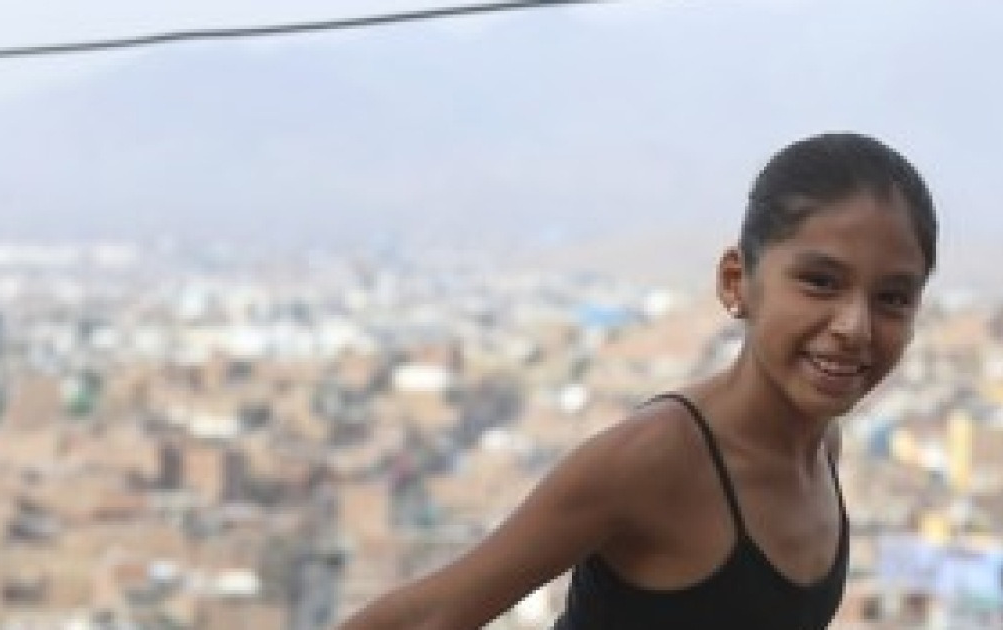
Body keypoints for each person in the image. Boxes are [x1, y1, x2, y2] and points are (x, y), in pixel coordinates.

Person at [337, 131, 938, 630]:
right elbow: (427, 617)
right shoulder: (657, 460)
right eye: (820, 282)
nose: (854, 326)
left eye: (892, 298)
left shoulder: (821, 450)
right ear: (737, 281)